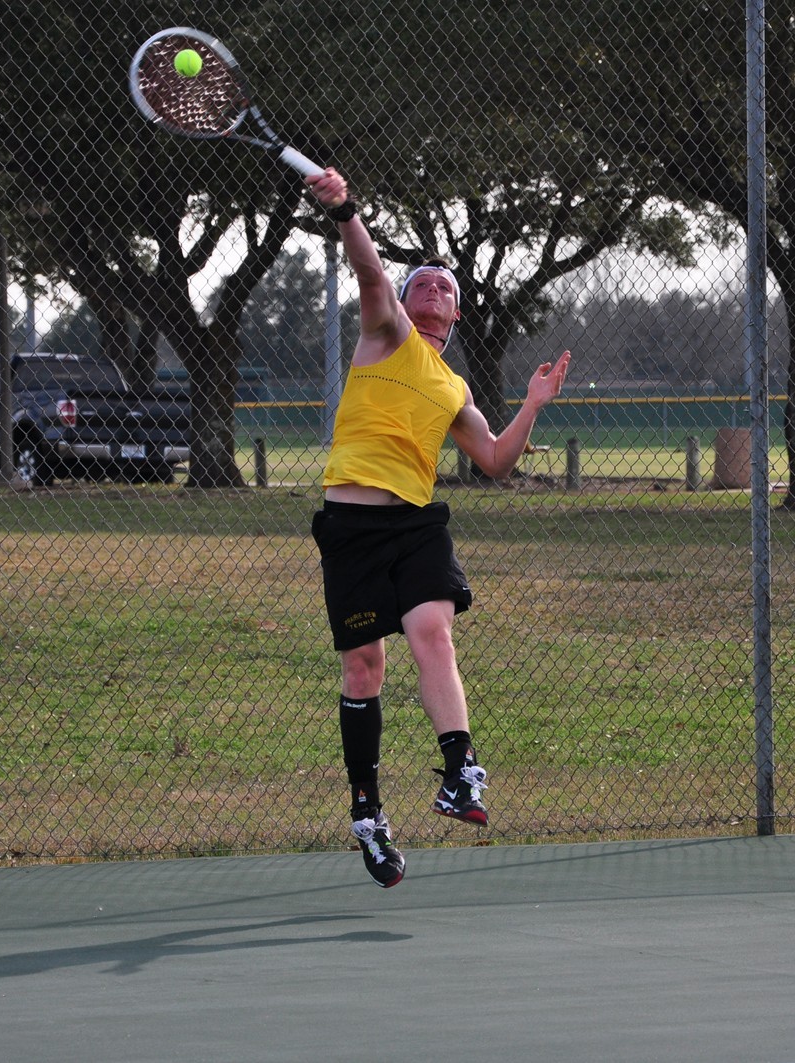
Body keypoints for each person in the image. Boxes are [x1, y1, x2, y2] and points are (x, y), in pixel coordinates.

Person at [305, 167, 571, 888]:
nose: (430, 289)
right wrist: (346, 211)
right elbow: (368, 275)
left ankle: (459, 772)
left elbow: (492, 460)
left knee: (433, 629)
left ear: (454, 315)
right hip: (353, 526)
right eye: (421, 281)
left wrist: (534, 404)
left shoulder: (454, 387)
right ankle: (368, 814)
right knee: (365, 667)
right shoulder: (386, 331)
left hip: (417, 525)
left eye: (443, 287)